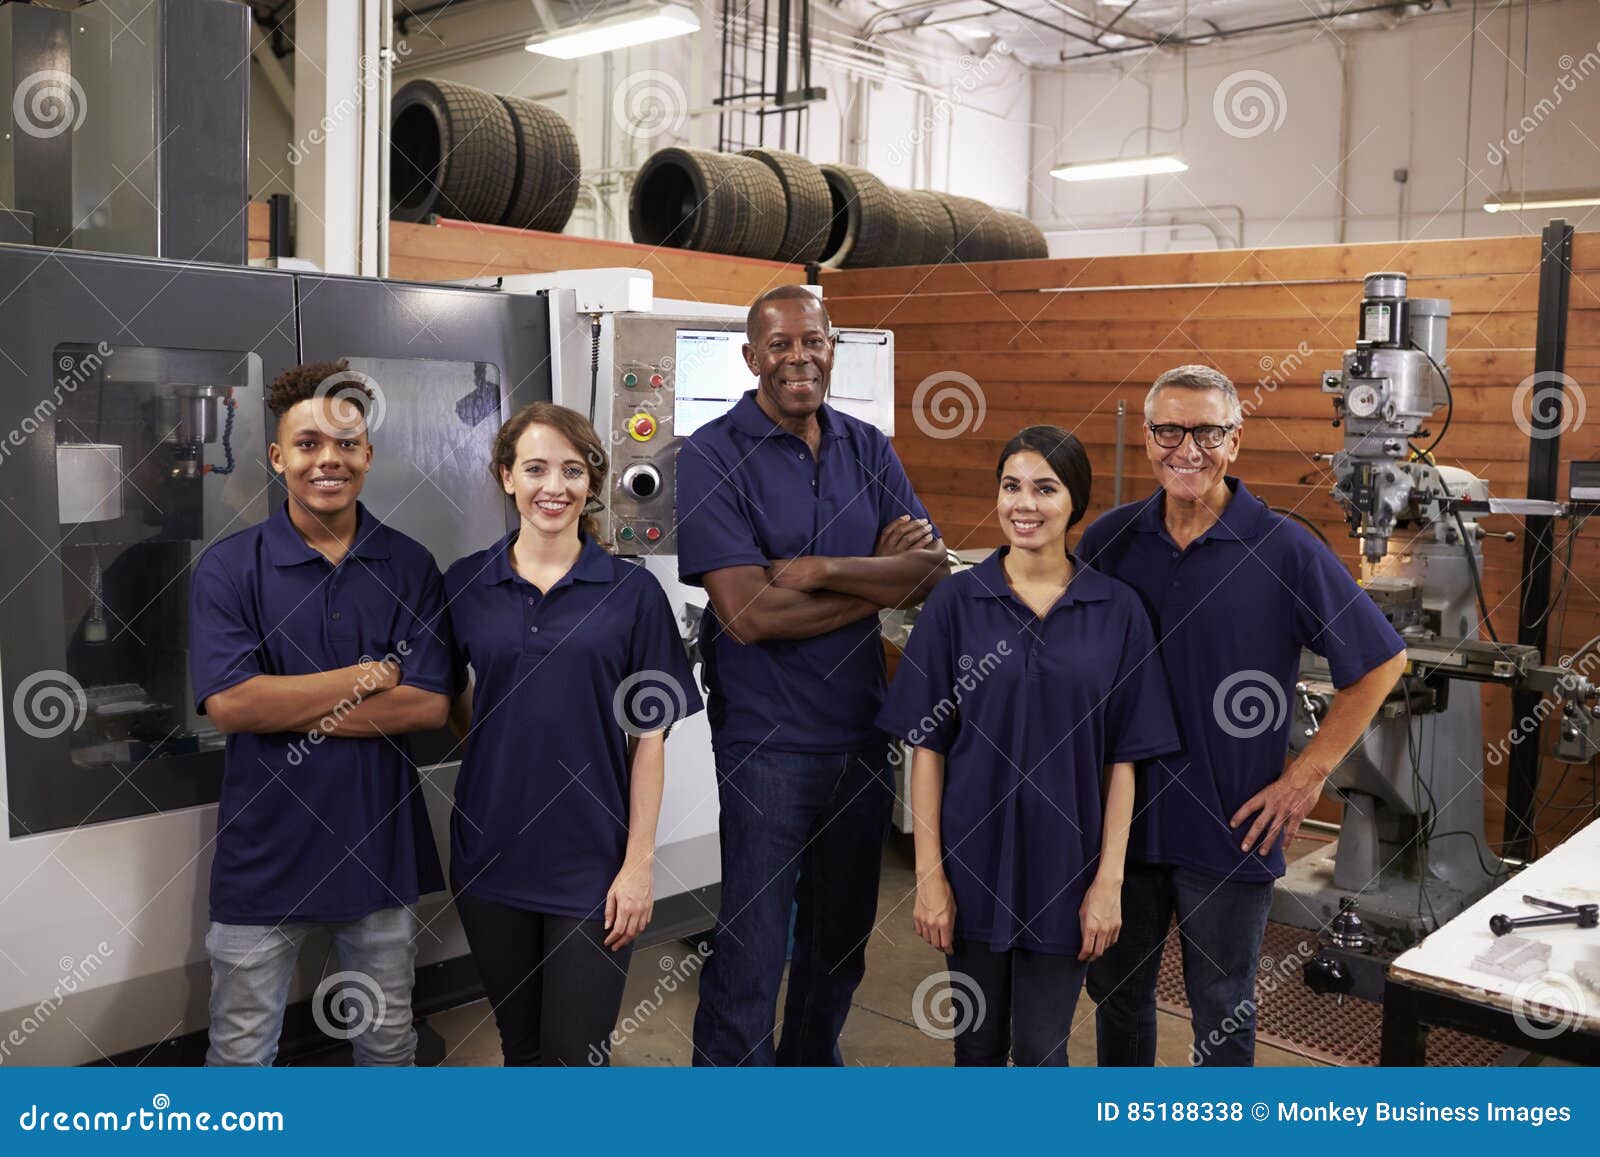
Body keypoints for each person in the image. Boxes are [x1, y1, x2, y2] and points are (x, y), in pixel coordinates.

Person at [1081, 364, 1407, 1066]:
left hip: (1232, 829)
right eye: (1170, 429)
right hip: (1120, 827)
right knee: (1118, 995)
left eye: (1207, 430)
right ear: (1146, 437)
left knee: (1223, 1009)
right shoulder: (1110, 542)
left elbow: (1382, 661)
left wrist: (1308, 774)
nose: (1187, 448)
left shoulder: (1284, 548)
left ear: (1235, 440)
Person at [676, 284, 949, 1066]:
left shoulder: (868, 445)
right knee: (754, 949)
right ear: (752, 356)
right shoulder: (711, 452)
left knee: (839, 940)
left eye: (814, 341)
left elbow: (929, 571)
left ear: (834, 347)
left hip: (864, 733)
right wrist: (876, 584)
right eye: (781, 344)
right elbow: (748, 615)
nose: (800, 357)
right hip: (768, 742)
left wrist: (824, 570)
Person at [876, 426, 1178, 1065]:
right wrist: (930, 878)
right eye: (1011, 486)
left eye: (1045, 488)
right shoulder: (956, 603)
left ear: (1074, 504)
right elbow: (926, 751)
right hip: (971, 868)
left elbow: (1125, 760)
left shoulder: (1117, 609)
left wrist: (1108, 884)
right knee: (977, 1050)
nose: (1025, 503)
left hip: (1065, 874)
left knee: (1043, 1050)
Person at [189, 361, 452, 1066]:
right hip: (261, 862)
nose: (327, 459)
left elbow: (427, 702)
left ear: (367, 453)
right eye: (307, 444)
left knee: (388, 1043)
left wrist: (284, 702)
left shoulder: (410, 565)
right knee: (241, 1054)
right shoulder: (230, 568)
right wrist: (365, 677)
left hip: (377, 853)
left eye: (345, 443)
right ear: (278, 457)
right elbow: (233, 704)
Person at [443, 402, 702, 1067]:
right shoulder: (467, 583)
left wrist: (638, 865)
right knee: (522, 1050)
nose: (552, 486)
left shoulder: (631, 592)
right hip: (490, 857)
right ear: (506, 476)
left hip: (592, 863)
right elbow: (450, 699)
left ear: (591, 482)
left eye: (571, 469)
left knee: (575, 1056)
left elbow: (650, 740)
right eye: (534, 468)